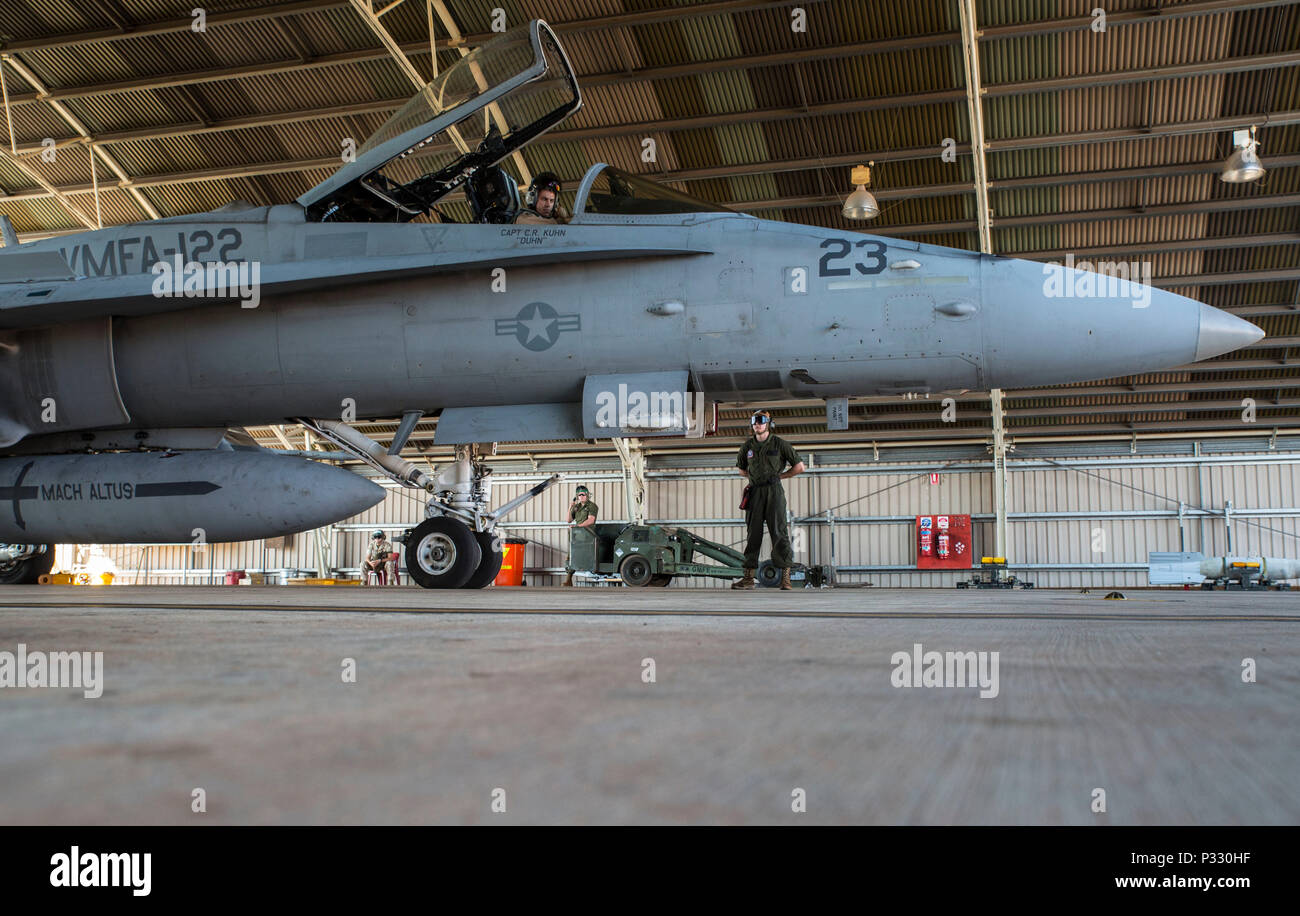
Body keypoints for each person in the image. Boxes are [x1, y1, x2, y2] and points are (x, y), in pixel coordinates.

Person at [732, 410, 806, 590]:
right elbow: (741, 470)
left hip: (774, 492)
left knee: (779, 533)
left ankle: (785, 579)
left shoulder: (780, 444)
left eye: (761, 420)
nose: (757, 424)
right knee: (753, 535)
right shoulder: (747, 447)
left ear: (769, 423)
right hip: (755, 493)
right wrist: (755, 478)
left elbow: (799, 467)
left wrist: (781, 476)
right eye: (754, 421)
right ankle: (748, 579)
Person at [563, 485, 598, 586]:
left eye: (583, 494)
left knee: (580, 554)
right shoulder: (577, 507)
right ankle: (568, 580)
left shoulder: (592, 506)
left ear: (587, 495)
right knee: (571, 555)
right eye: (579, 495)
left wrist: (578, 526)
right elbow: (568, 520)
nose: (581, 496)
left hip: (588, 533)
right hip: (577, 534)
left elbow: (591, 520)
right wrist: (570, 507)